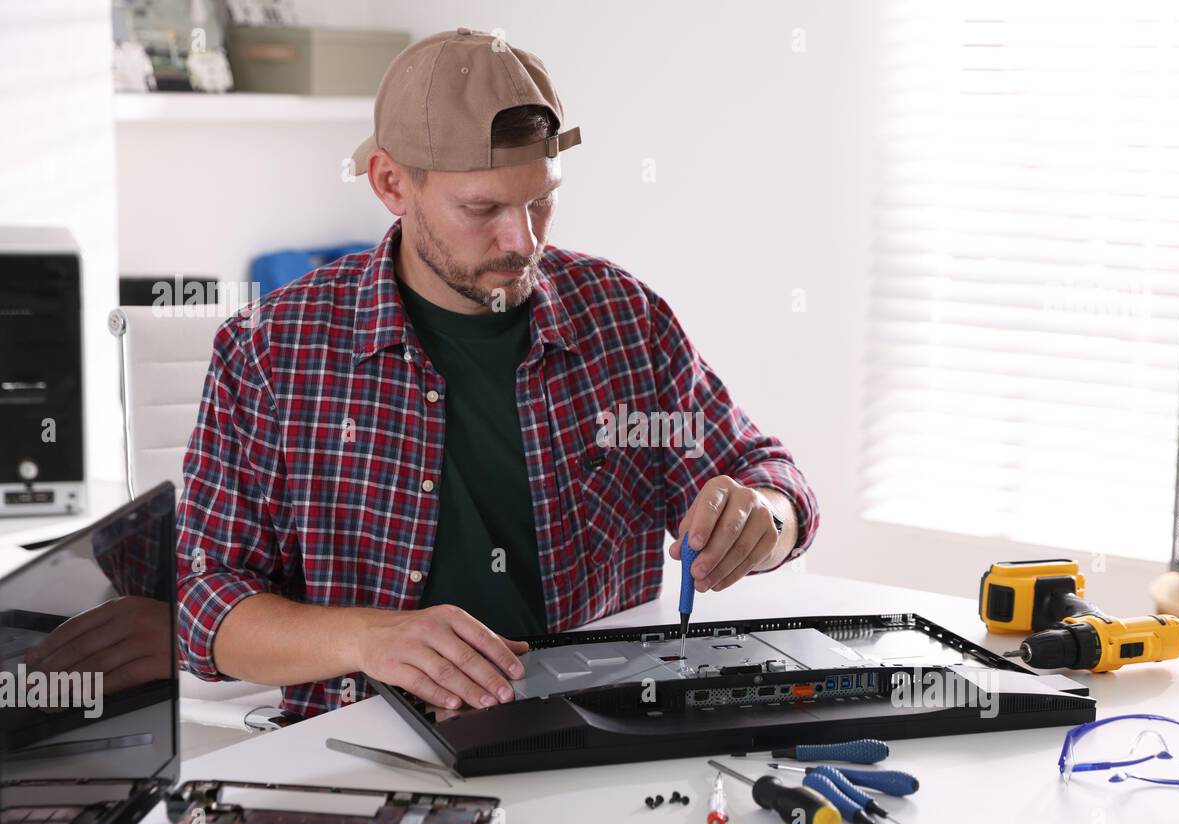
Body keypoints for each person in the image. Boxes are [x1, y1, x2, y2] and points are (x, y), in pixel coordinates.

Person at [176, 28, 819, 718]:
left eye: (540, 199)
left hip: (598, 730)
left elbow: (768, 475)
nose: (524, 241)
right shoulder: (271, 349)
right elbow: (202, 603)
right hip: (367, 744)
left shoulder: (624, 318)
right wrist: (368, 637)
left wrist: (766, 517)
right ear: (392, 183)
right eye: (482, 209)